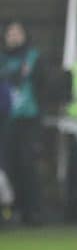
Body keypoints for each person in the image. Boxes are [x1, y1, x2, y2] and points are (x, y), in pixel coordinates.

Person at [0, 21, 40, 225]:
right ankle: (8, 212)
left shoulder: (33, 56)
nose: (14, 36)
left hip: (27, 120)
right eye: (10, 33)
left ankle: (31, 212)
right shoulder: (3, 59)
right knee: (6, 167)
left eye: (18, 32)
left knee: (27, 165)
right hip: (5, 120)